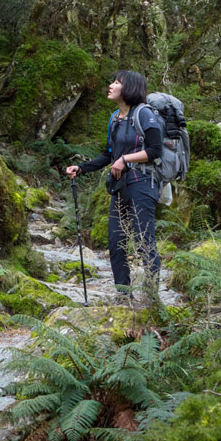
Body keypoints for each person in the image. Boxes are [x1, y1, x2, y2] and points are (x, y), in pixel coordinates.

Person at [65, 70, 163, 298]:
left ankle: (151, 298)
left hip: (142, 184)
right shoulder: (114, 118)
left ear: (129, 88)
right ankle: (123, 293)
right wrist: (81, 168)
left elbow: (155, 151)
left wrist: (125, 160)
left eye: (117, 82)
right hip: (120, 187)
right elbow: (108, 155)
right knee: (116, 241)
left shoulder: (144, 114)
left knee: (143, 240)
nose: (111, 85)